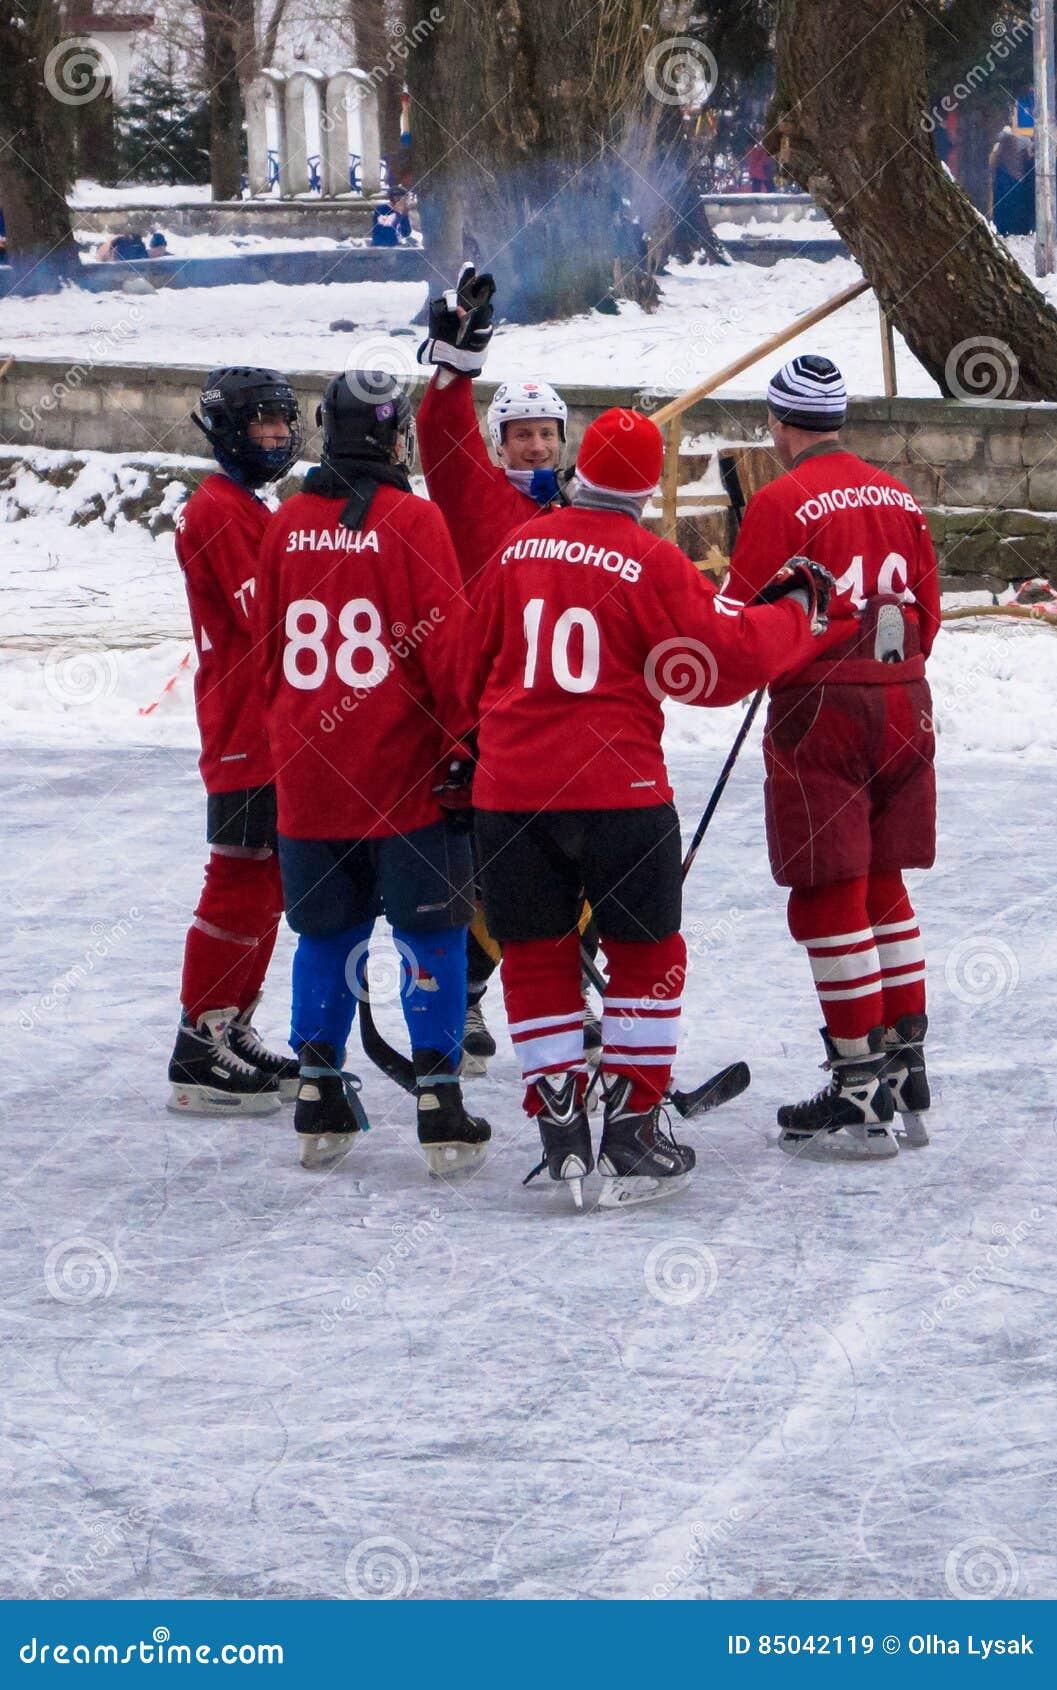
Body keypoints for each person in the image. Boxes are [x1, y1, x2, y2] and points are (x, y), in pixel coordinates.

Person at [468, 406, 831, 1207]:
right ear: (647, 485)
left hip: (511, 792)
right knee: (647, 953)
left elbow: (470, 662)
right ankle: (632, 1129)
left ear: (578, 468)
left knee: (533, 955)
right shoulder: (650, 558)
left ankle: (561, 1128)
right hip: (619, 794)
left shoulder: (515, 549)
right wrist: (797, 611)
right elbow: (723, 663)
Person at [252, 370, 491, 1173]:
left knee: (327, 932)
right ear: (395, 438)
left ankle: (319, 1087)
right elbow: (449, 651)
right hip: (401, 773)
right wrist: (472, 738)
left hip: (310, 771)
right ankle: (440, 1102)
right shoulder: (415, 520)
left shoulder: (285, 523)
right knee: (431, 932)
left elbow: (266, 657)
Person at [720, 354, 941, 1159]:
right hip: (906, 699)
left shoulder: (781, 499)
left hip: (823, 706)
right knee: (886, 883)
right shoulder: (898, 494)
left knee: (827, 892)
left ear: (781, 424)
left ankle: (858, 1083)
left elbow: (742, 616)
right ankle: (906, 1063)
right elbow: (930, 608)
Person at [416, 263, 600, 1073]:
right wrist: (454, 370)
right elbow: (440, 438)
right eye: (521, 433)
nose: (535, 444)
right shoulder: (475, 499)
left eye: (547, 434)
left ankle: (569, 980)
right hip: (491, 716)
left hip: (575, 721)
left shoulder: (583, 517)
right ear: (499, 442)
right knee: (493, 867)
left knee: (586, 855)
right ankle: (469, 991)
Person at [168, 367, 304, 1115]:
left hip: (278, 726)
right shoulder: (217, 510)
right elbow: (272, 614)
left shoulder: (255, 504)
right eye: (263, 423)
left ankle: (233, 1021)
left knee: (272, 883)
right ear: (228, 429)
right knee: (237, 876)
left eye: (284, 422)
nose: (278, 435)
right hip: (243, 729)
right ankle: (198, 1039)